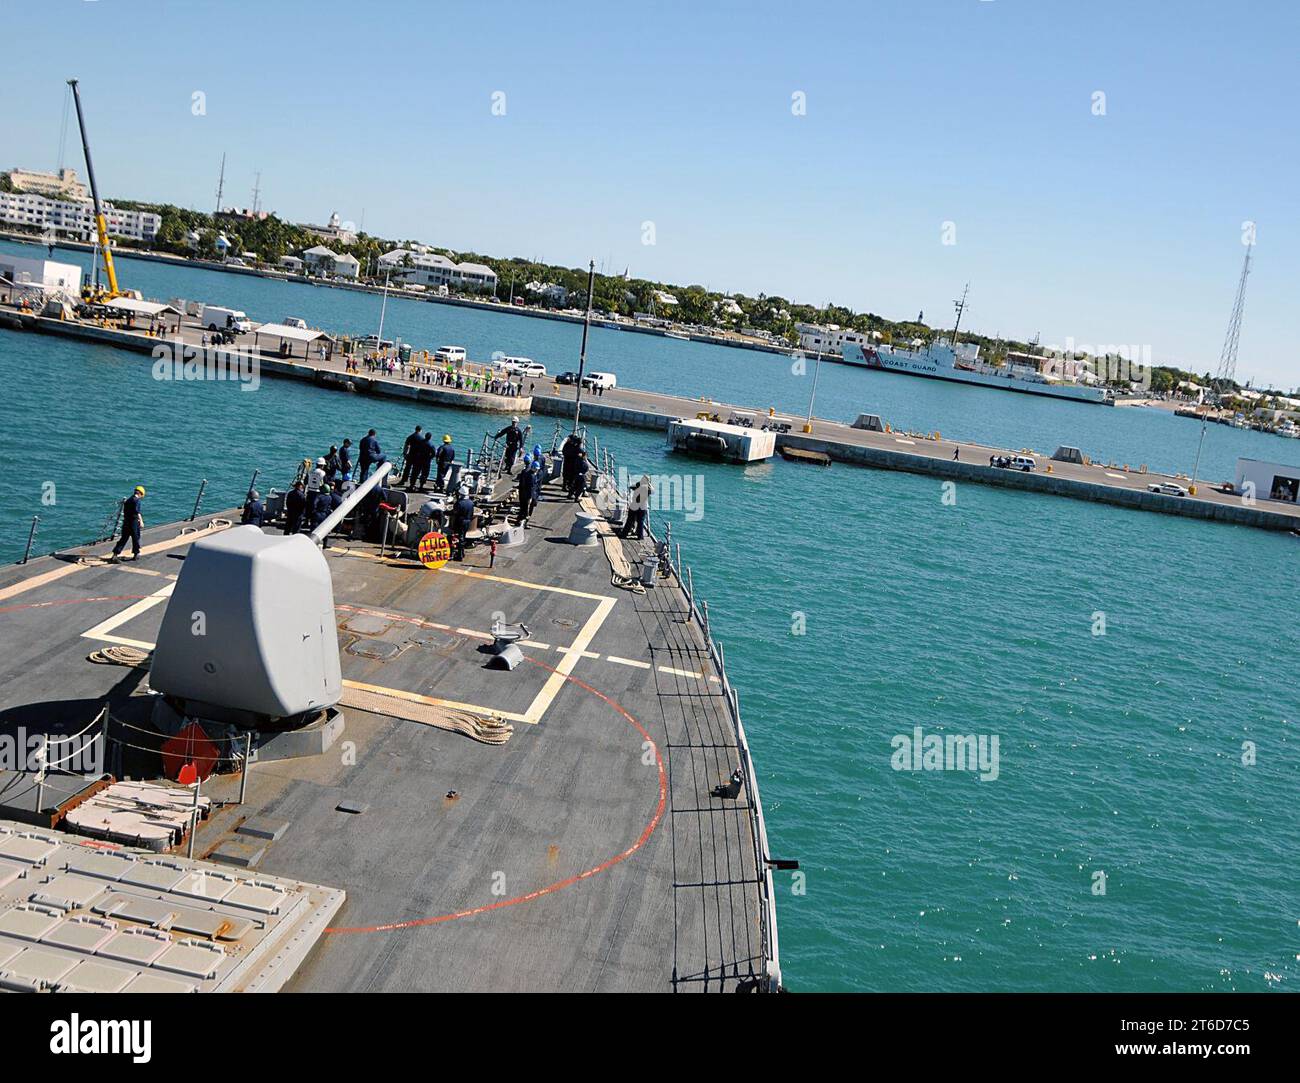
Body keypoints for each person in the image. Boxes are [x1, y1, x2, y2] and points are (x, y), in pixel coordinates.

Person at [110, 485, 146, 561]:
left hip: (126, 522)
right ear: (140, 493)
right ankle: (136, 554)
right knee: (136, 538)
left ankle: (115, 554)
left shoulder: (129, 500)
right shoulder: (137, 501)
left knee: (124, 538)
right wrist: (141, 521)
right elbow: (137, 512)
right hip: (134, 522)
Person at [619, 475, 652, 539]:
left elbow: (632, 487)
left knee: (630, 520)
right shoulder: (649, 488)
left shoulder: (639, 485)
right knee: (641, 522)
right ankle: (640, 536)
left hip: (635, 505)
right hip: (643, 507)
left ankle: (624, 534)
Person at [449, 485, 475, 561]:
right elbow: (472, 514)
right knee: (463, 536)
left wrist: (446, 512)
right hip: (467, 522)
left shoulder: (459, 503)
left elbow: (454, 513)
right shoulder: (471, 503)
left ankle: (459, 555)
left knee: (460, 538)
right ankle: (462, 553)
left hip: (460, 522)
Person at [516, 454, 536, 527]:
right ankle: (524, 523)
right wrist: (530, 497)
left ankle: (519, 520)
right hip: (527, 494)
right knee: (527, 509)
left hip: (522, 493)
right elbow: (531, 487)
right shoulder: (531, 474)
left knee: (522, 508)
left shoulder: (524, 471)